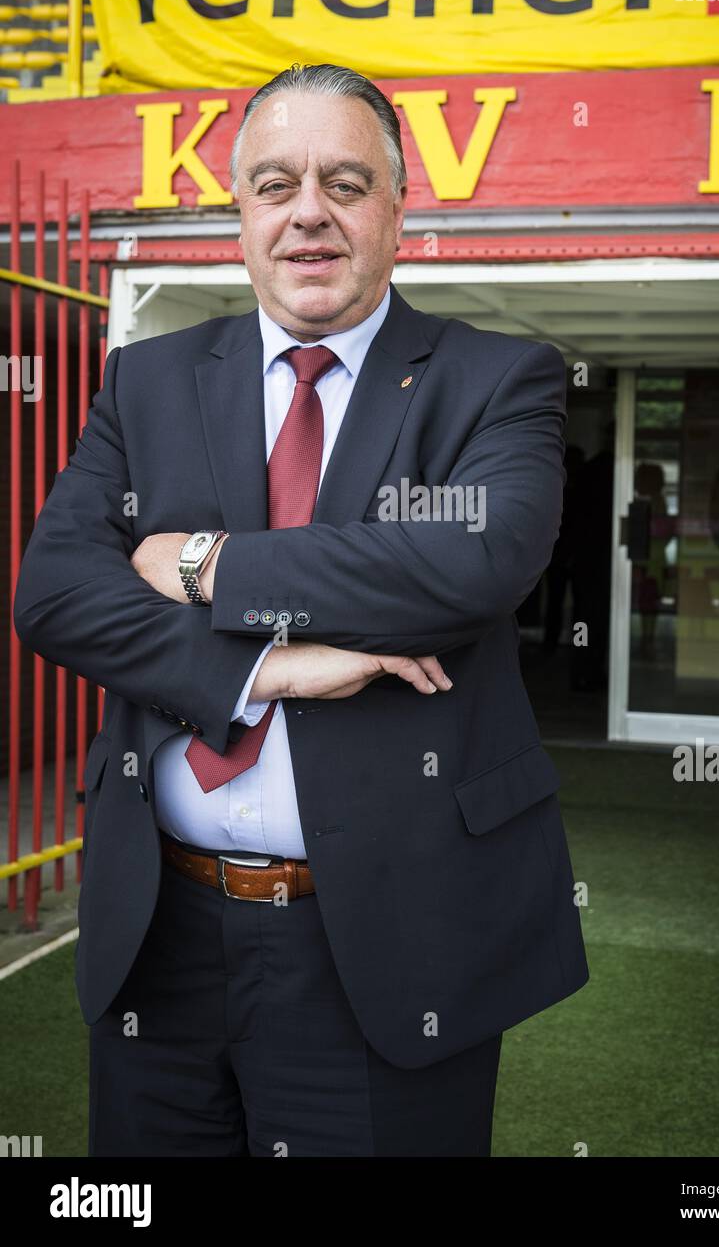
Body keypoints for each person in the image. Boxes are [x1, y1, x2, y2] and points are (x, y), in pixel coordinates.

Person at [13, 62, 589, 1158]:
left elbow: (470, 561)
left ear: (398, 210)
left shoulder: (495, 379)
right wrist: (262, 670)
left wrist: (202, 561)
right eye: (274, 184)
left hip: (389, 942)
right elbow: (56, 594)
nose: (308, 212)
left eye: (344, 181)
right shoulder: (148, 380)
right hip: (160, 939)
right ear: (239, 213)